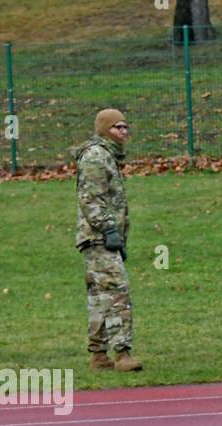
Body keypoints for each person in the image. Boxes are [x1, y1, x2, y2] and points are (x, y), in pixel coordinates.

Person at [72, 108, 142, 372]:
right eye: (117, 127)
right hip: (99, 238)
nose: (123, 132)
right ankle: (122, 353)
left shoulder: (107, 156)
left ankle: (98, 354)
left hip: (102, 237)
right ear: (104, 129)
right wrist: (109, 230)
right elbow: (91, 199)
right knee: (117, 292)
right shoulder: (96, 157)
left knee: (100, 296)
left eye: (125, 127)